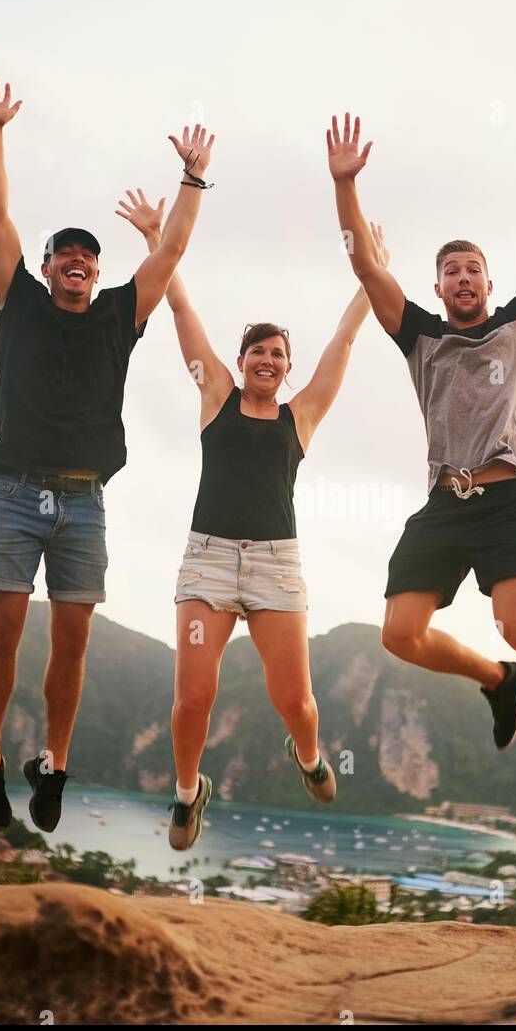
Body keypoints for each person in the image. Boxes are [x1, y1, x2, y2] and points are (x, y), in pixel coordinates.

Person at [0, 77, 215, 834]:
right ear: (47, 268)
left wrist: (192, 178)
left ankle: (54, 764)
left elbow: (172, 248)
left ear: (97, 272)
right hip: (14, 493)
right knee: (4, 629)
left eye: (87, 255)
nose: (76, 260)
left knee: (72, 641)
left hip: (84, 500)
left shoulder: (119, 314)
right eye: (64, 254)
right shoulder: (19, 303)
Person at [326, 102, 516, 752]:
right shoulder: (421, 336)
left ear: (488, 281)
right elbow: (366, 267)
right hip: (445, 501)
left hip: (505, 501)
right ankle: (498, 680)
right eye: (451, 271)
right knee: (400, 633)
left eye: (472, 268)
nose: (463, 277)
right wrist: (345, 185)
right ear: (439, 288)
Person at [117, 190, 388, 850]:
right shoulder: (215, 394)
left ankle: (308, 755)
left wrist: (372, 272)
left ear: (289, 368)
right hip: (208, 562)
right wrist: (156, 238)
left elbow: (346, 337)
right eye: (257, 352)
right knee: (193, 697)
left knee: (295, 701)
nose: (268, 360)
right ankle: (188, 793)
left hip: (275, 567)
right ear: (240, 362)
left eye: (278, 354)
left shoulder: (302, 414)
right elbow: (180, 307)